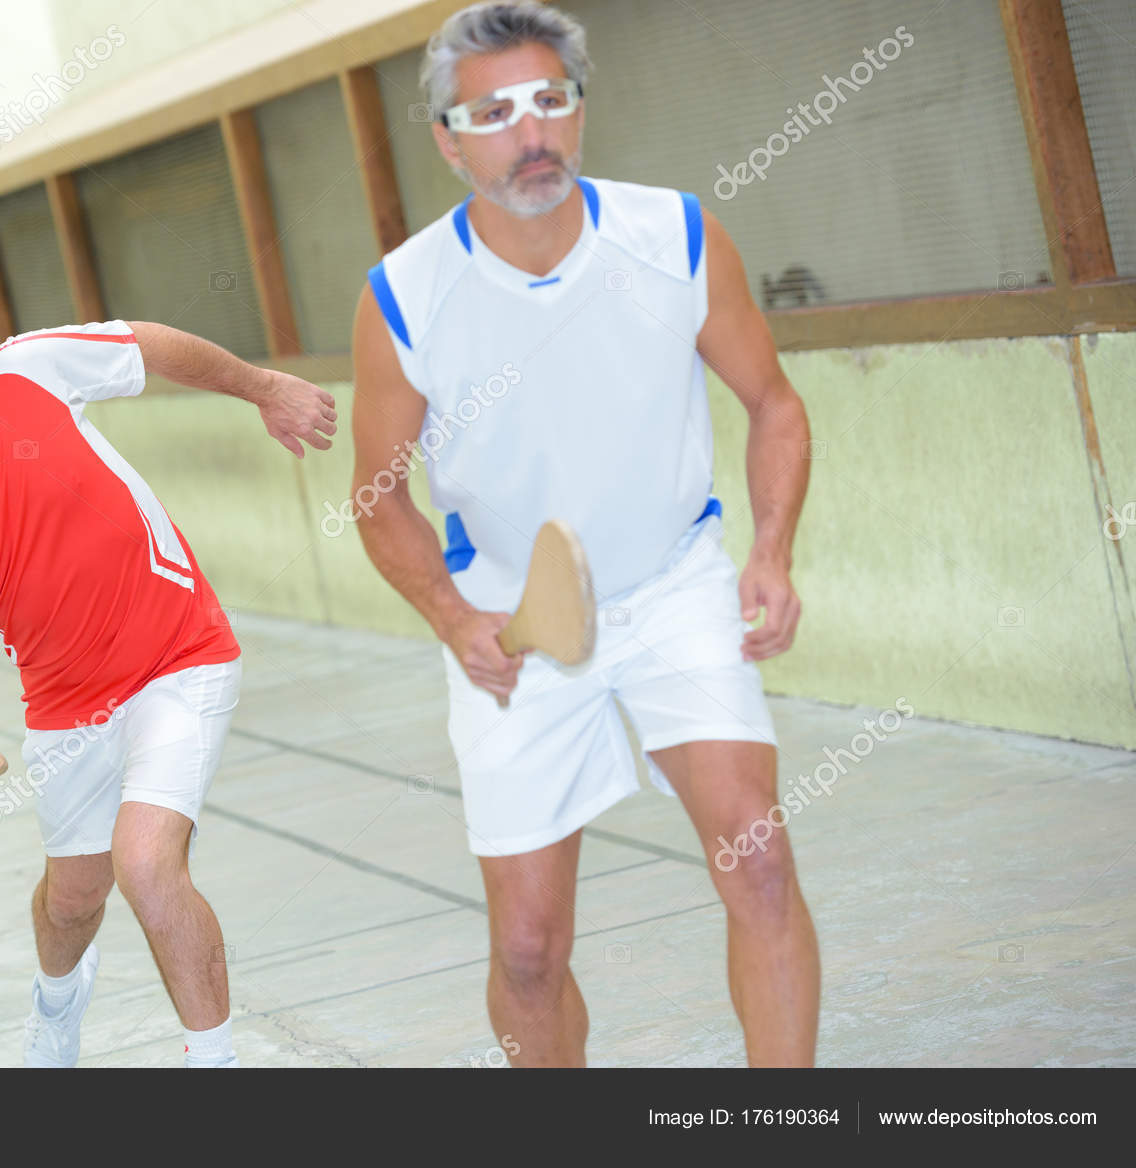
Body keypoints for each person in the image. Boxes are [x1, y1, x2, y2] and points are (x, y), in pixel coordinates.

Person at [350, 1, 819, 1066]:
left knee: (757, 861)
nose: (530, 133)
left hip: (673, 587)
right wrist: (451, 615)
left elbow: (775, 405)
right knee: (525, 946)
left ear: (577, 112)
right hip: (515, 625)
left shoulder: (675, 235)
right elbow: (378, 495)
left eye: (549, 101)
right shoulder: (404, 296)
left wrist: (770, 554)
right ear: (446, 138)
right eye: (493, 112)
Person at [0, 309, 337, 1067]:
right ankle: (56, 1001)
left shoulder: (25, 371)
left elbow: (151, 345)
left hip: (181, 657)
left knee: (147, 863)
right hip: (65, 707)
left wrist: (261, 387)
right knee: (73, 899)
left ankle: (216, 1058)